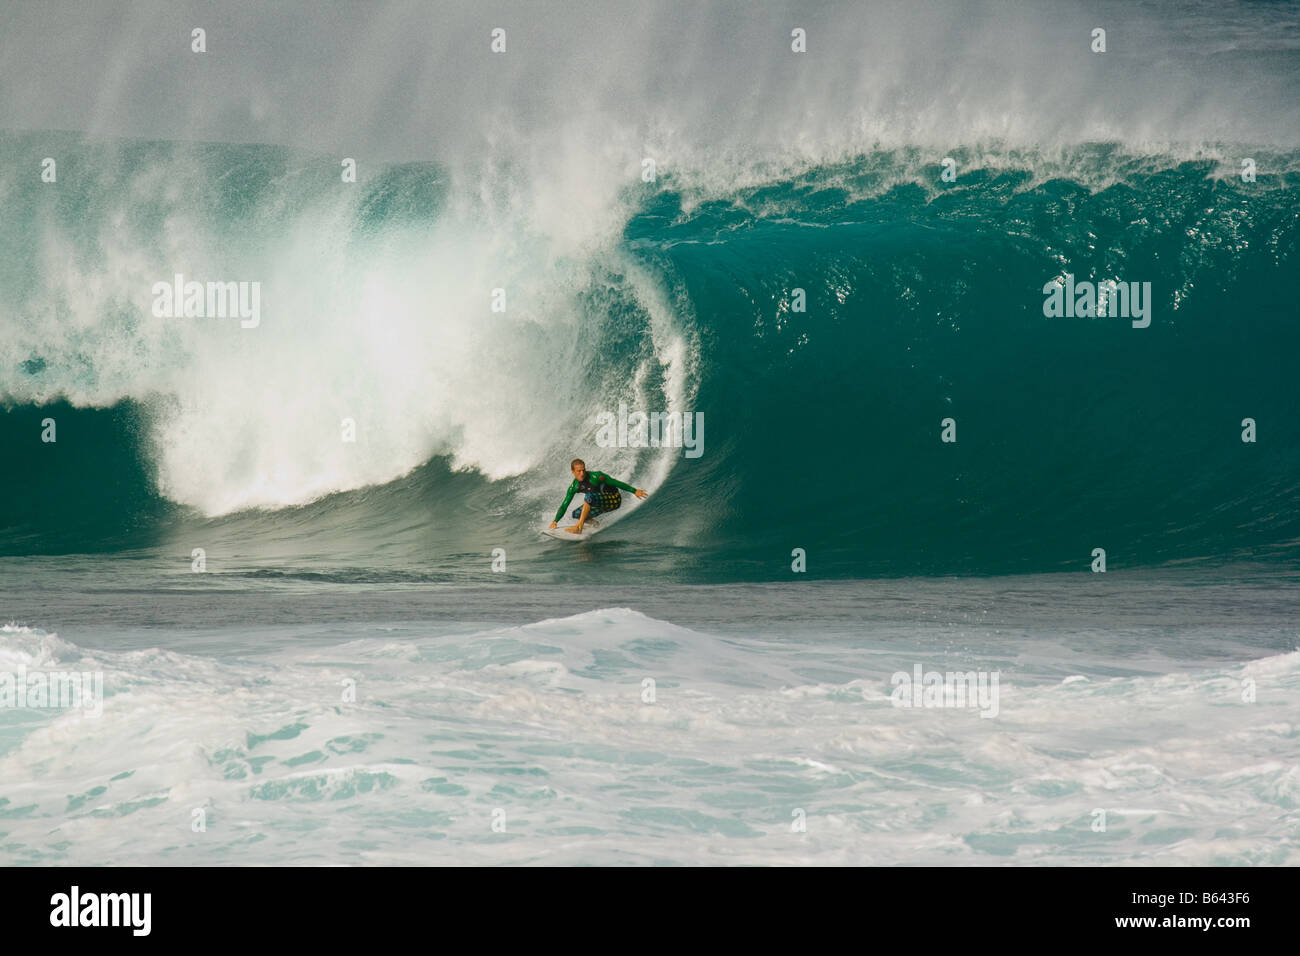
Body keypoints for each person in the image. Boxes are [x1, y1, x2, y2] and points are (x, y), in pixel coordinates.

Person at [548, 459, 647, 534]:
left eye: (583, 470)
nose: (582, 473)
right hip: (599, 503)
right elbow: (564, 505)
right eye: (579, 471)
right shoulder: (574, 487)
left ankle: (579, 527)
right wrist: (555, 521)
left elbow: (615, 482)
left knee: (589, 496)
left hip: (613, 499)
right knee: (576, 514)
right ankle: (597, 526)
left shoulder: (596, 477)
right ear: (573, 472)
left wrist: (634, 491)